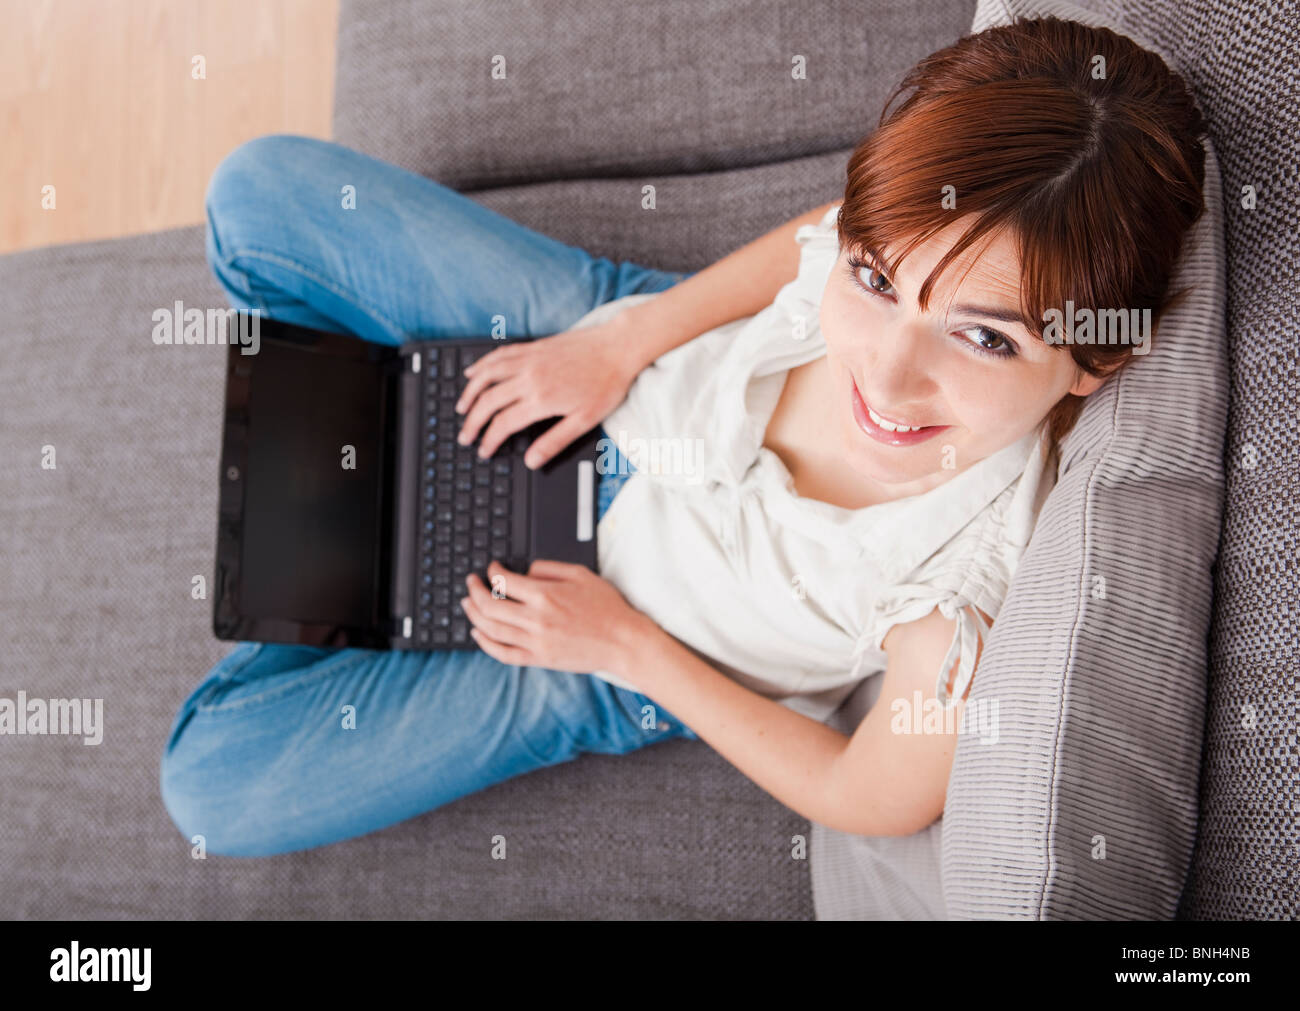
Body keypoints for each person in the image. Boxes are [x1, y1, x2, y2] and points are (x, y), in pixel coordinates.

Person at [160, 16, 1207, 860]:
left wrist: (628, 651)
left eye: (980, 338)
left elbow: (868, 795)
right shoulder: (877, 247)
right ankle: (391, 467)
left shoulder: (957, 587)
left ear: (1094, 359)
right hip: (622, 365)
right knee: (254, 192)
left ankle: (380, 529)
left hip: (603, 637)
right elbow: (817, 236)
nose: (882, 374)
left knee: (210, 789)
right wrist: (622, 342)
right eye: (877, 282)